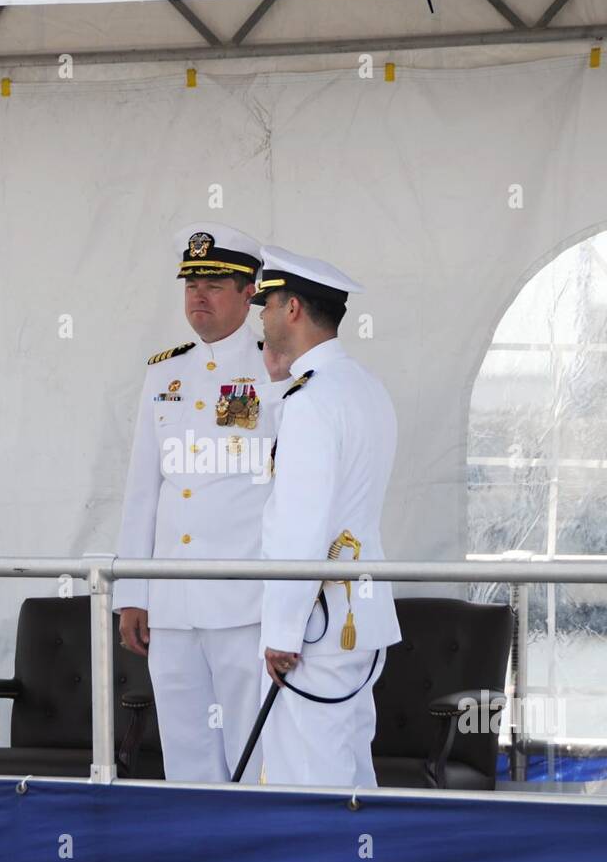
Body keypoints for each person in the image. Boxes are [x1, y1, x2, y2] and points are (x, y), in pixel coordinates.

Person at [115, 225, 292, 781]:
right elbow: (144, 487)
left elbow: (292, 487)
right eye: (191, 282)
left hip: (244, 601)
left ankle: (252, 861)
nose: (199, 294)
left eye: (215, 282)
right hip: (171, 604)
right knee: (186, 755)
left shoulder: (277, 370)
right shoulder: (163, 372)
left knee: (251, 752)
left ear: (250, 291)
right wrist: (133, 592)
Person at [252, 246, 401, 788]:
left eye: (265, 303)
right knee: (350, 769)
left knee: (306, 775)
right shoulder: (361, 385)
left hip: (316, 623)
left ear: (291, 308)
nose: (261, 316)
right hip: (356, 615)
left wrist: (282, 629)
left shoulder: (312, 400)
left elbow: (300, 527)